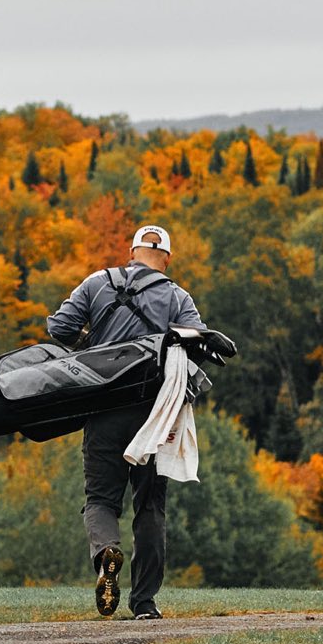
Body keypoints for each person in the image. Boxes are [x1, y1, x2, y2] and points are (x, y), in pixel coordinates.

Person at [45, 224, 204, 621]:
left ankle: (106, 553)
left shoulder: (97, 283)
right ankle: (144, 603)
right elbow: (197, 344)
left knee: (101, 499)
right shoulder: (178, 297)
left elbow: (59, 328)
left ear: (132, 252)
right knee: (149, 506)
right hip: (154, 416)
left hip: (103, 410)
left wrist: (93, 347)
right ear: (167, 258)